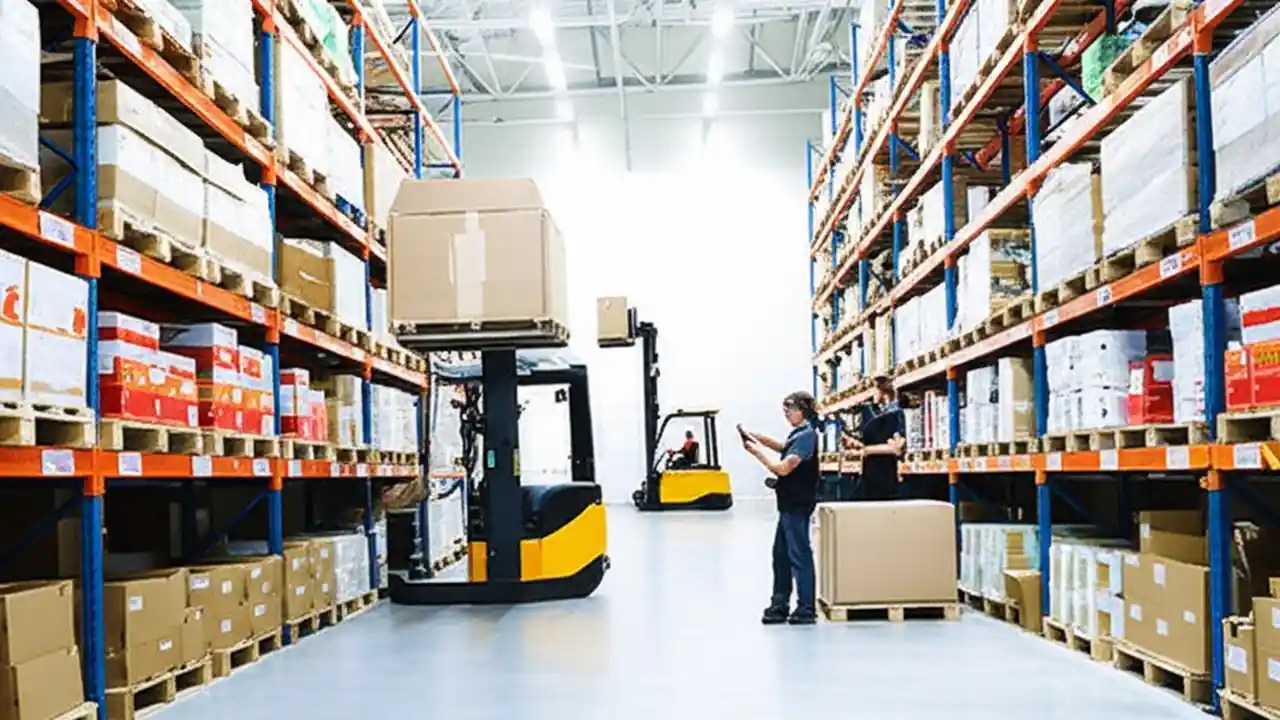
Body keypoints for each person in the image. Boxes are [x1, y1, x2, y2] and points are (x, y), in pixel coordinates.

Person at [739, 391, 820, 625]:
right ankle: (780, 604)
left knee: (799, 555)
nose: (786, 415)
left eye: (789, 410)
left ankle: (806, 608)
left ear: (801, 410)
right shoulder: (800, 434)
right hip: (788, 505)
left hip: (796, 505)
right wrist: (760, 439)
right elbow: (786, 447)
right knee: (781, 555)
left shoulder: (806, 436)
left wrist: (757, 453)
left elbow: (783, 468)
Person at [843, 375, 906, 500]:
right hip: (870, 471)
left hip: (884, 474)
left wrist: (867, 450)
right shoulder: (873, 413)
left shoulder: (894, 415)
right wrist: (856, 444)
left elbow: (896, 448)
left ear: (882, 392)